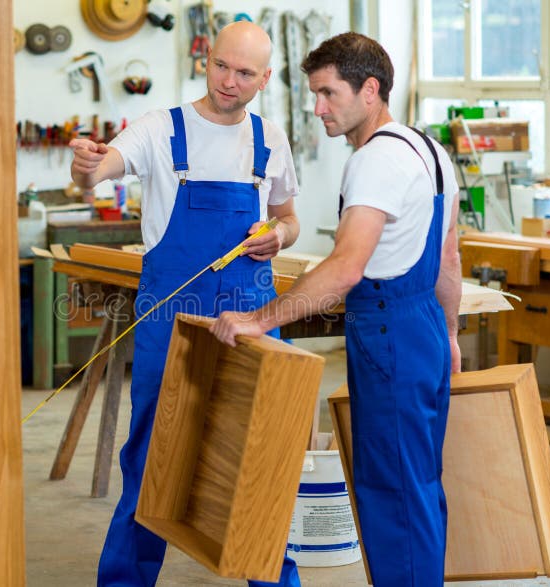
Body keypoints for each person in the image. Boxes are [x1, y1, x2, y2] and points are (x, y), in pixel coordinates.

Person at [211, 32, 462, 587]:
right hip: (421, 327)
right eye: (314, 94)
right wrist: (447, 331)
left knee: (390, 489)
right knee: (418, 483)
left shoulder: (374, 162)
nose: (318, 107)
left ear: (369, 90)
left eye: (328, 93)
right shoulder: (431, 150)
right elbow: (448, 257)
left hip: (389, 328)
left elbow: (347, 268)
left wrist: (259, 319)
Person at [69, 21, 302, 587]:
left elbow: (289, 218)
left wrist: (280, 236)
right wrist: (85, 168)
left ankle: (271, 576)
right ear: (207, 59)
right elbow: (99, 171)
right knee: (154, 452)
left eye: (245, 73)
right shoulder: (157, 129)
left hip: (251, 309)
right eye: (221, 65)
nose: (229, 81)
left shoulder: (270, 139)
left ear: (265, 78)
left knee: (261, 450)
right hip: (171, 313)